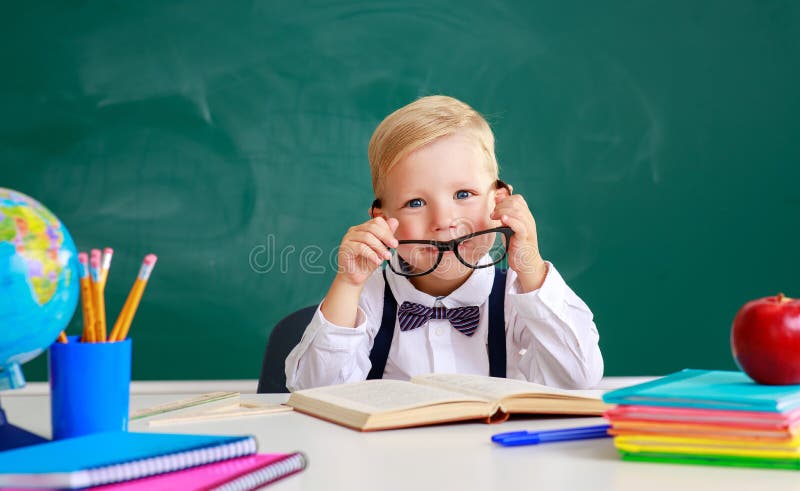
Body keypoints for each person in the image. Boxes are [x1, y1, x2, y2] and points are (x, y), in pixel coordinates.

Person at [285, 95, 603, 391]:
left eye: (463, 195)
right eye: (415, 202)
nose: (444, 220)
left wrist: (531, 269)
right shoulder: (368, 299)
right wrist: (348, 283)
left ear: (499, 203)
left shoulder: (516, 297)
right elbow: (315, 392)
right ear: (380, 220)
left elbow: (577, 379)